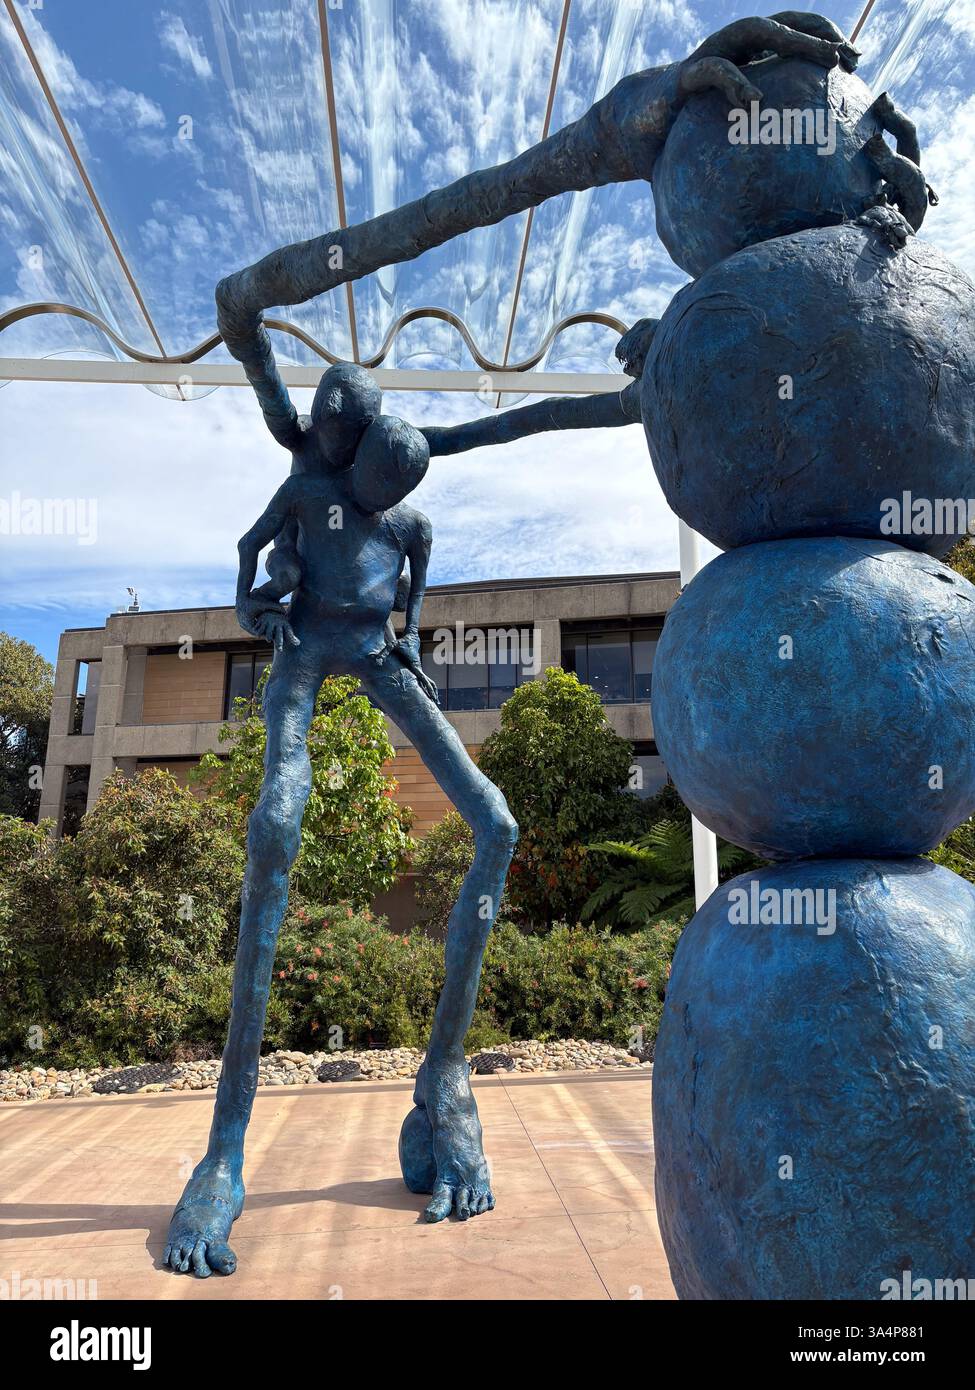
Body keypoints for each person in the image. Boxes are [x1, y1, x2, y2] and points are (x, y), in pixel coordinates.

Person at [163, 366, 517, 1277]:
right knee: (276, 821)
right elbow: (246, 544)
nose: (372, 498)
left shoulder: (408, 522)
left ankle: (443, 1069)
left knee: (496, 824)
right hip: (305, 646)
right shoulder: (310, 483)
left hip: (374, 649)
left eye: (389, 490)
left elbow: (421, 576)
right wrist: (252, 608)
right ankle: (225, 1149)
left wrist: (408, 629)